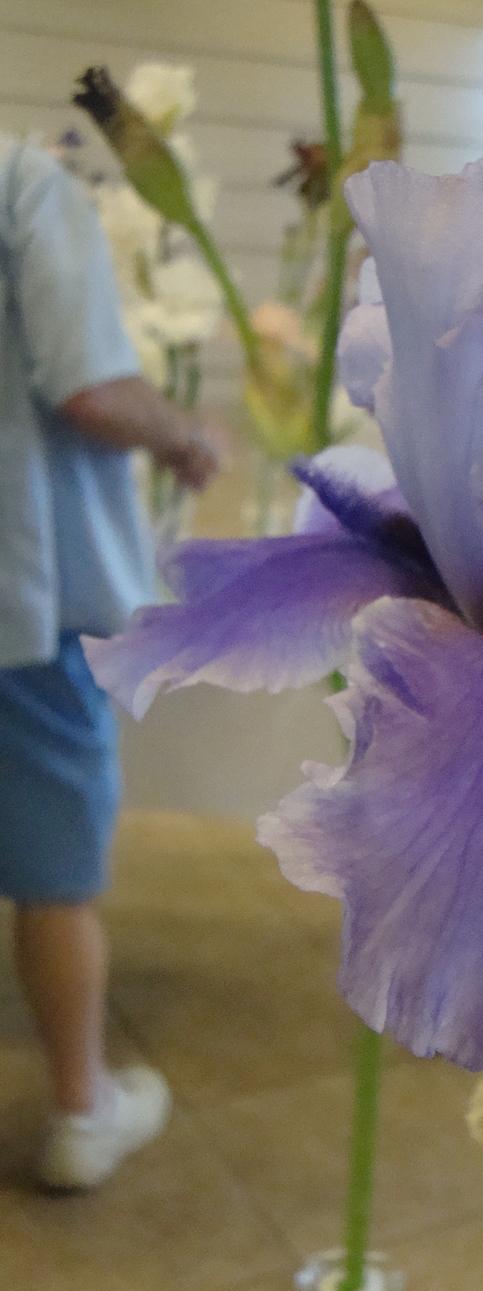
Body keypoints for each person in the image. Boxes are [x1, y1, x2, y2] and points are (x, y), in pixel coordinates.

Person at [0, 133, 224, 1189]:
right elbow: (90, 391)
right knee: (54, 879)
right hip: (21, 601)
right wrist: (182, 432)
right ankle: (83, 1109)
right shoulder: (23, 183)